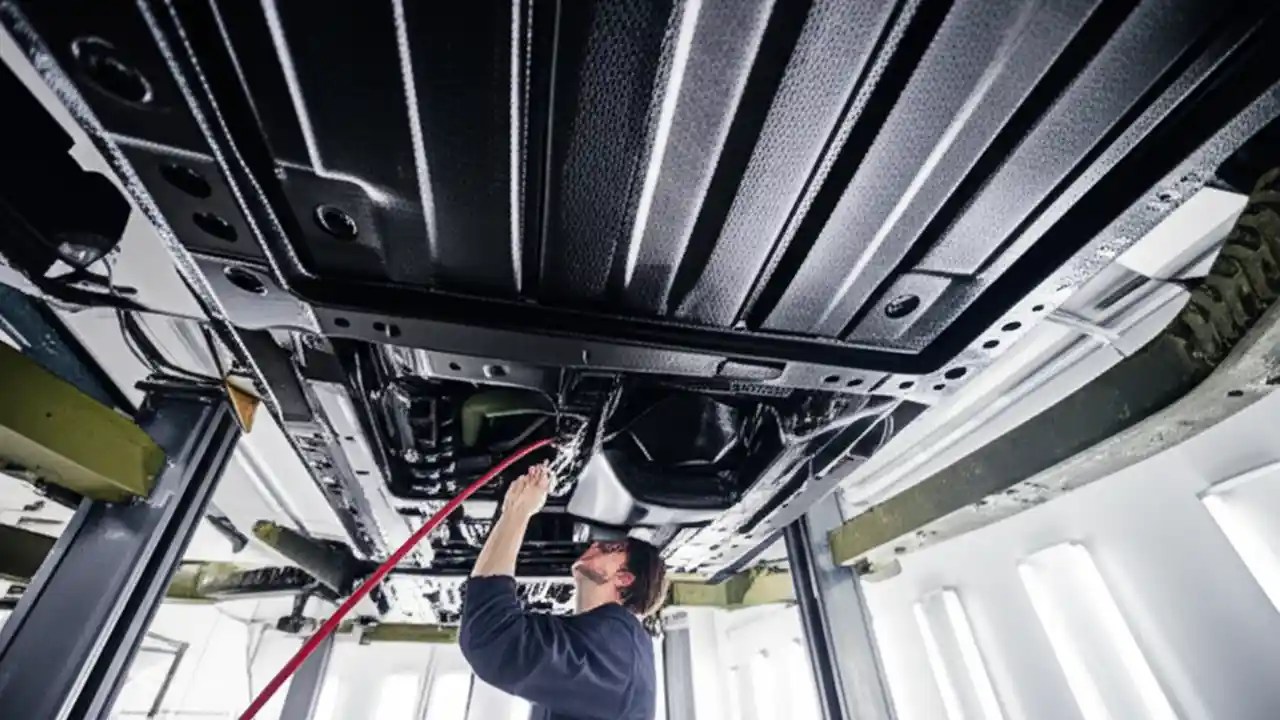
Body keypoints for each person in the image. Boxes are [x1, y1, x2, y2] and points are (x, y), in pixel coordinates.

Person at [459, 462, 668, 720]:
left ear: (624, 578)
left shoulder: (620, 649)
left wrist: (517, 512)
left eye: (611, 549)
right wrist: (514, 511)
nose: (595, 545)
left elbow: (493, 638)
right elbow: (492, 634)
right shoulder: (618, 647)